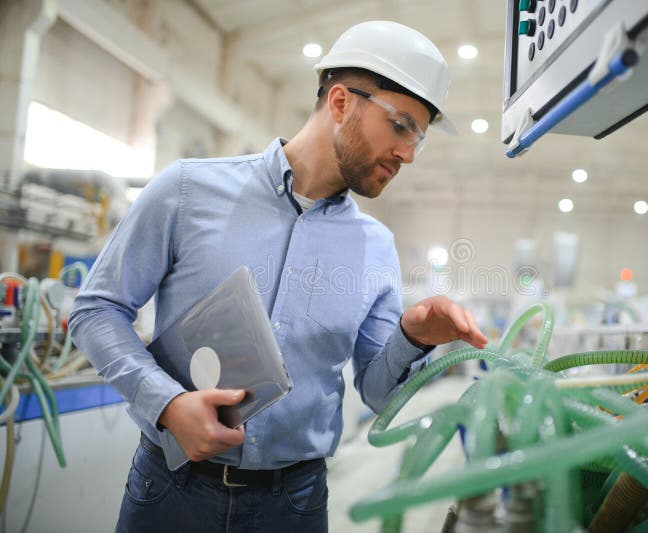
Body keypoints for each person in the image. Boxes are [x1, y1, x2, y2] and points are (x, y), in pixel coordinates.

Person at [69, 20, 487, 533]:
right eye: (401, 126)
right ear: (340, 103)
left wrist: (412, 336)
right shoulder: (187, 191)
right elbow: (96, 310)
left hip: (294, 504)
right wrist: (167, 403)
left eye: (419, 138)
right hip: (170, 490)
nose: (409, 154)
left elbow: (377, 392)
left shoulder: (375, 247)